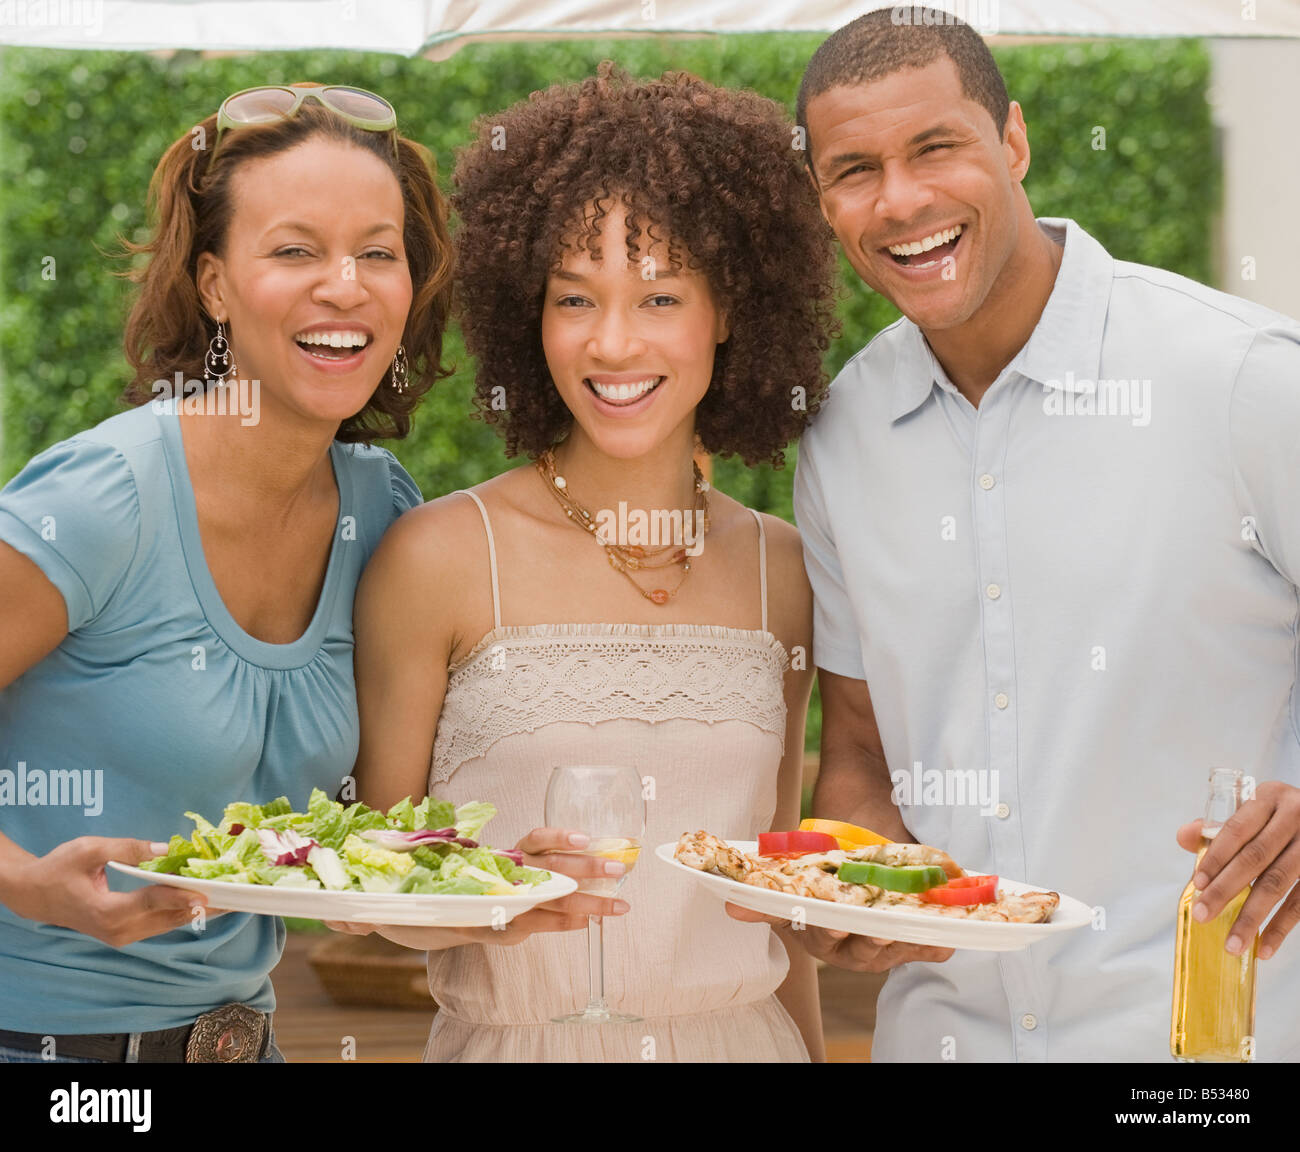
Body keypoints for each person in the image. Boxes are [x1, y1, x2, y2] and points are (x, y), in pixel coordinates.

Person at [739, 8, 1300, 1062]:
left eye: (935, 147)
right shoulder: (839, 437)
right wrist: (846, 881)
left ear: (1015, 142)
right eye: (853, 170)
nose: (900, 201)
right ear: (823, 199)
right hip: (946, 1036)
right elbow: (859, 746)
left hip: (1210, 1048)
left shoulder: (1239, 380)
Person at [350, 63, 838, 1062]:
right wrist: (494, 892)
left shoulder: (779, 572)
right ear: (528, 316)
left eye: (660, 296)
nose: (612, 343)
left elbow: (773, 899)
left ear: (732, 311)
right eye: (575, 298)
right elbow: (367, 887)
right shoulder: (438, 557)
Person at [0, 84, 452, 1062]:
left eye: (378, 251)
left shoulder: (382, 512)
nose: (346, 284)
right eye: (295, 250)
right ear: (212, 284)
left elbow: (381, 817)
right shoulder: (100, 503)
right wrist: (19, 881)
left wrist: (501, 861)